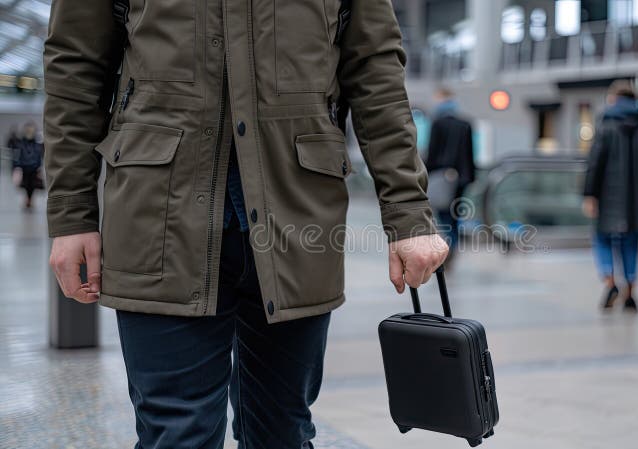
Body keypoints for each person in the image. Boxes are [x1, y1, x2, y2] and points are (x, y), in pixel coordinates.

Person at [44, 1, 448, 448]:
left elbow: (375, 70)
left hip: (298, 214)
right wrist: (71, 213)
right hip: (157, 216)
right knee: (176, 435)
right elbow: (75, 66)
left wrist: (408, 211)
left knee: (282, 433)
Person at [583, 80, 638, 313]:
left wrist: (590, 195)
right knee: (631, 242)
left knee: (602, 239)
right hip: (635, 200)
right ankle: (630, 291)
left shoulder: (605, 127)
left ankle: (610, 282)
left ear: (613, 99)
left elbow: (594, 164)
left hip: (607, 198)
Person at [425, 87, 476, 258]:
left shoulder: (437, 123)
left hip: (442, 176)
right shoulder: (465, 124)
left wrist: (427, 174)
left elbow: (432, 153)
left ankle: (448, 245)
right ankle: (453, 244)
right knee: (455, 213)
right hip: (462, 178)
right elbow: (470, 154)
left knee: (443, 214)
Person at [12, 121, 44, 209]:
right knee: (26, 185)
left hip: (33, 167)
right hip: (25, 167)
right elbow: (18, 155)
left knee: (32, 185)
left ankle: (29, 200)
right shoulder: (21, 143)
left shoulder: (36, 143)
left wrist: (39, 167)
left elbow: (38, 155)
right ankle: (28, 200)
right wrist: (17, 167)